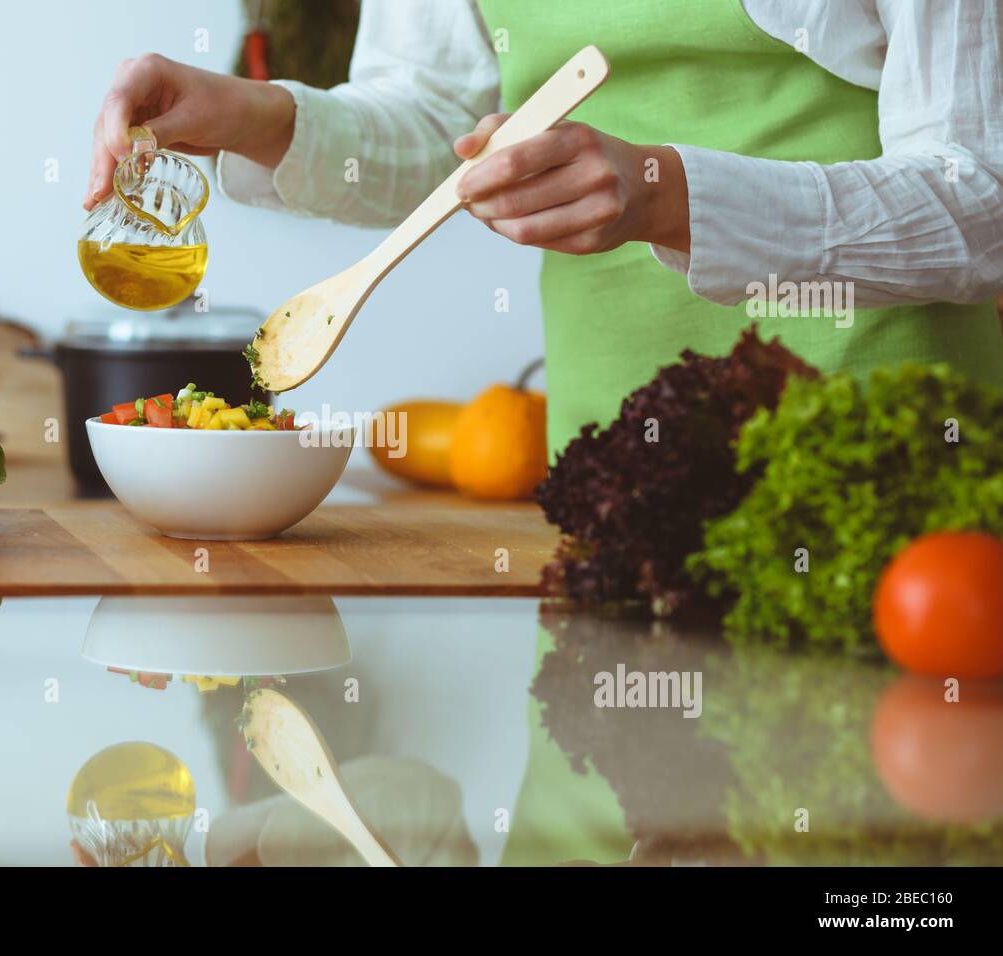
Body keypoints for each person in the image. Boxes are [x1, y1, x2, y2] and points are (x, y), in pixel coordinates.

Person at [86, 0, 1003, 862]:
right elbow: (441, 118)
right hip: (614, 529)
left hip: (879, 516)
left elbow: (984, 193)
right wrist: (258, 117)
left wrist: (674, 195)